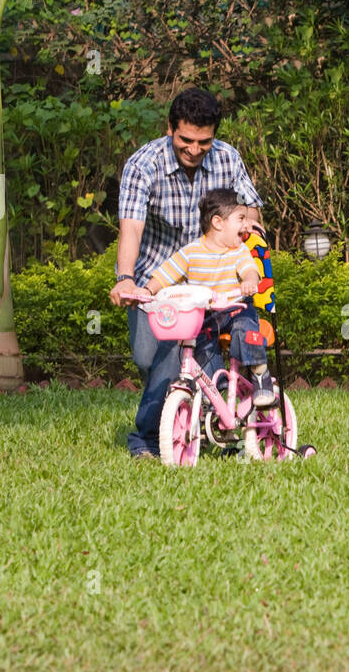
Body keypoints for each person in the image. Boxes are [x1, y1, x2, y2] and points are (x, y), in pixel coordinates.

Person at [109, 89, 262, 458]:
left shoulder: (227, 159)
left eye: (203, 142)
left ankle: (167, 438)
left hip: (210, 287)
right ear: (169, 129)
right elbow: (131, 228)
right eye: (186, 140)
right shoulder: (143, 164)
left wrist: (247, 231)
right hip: (157, 283)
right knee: (151, 360)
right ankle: (172, 423)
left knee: (196, 363)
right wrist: (125, 278)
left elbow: (251, 212)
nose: (194, 150)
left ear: (215, 135)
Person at [140, 188, 276, 408]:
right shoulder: (191, 252)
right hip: (206, 315)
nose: (246, 225)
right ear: (218, 223)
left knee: (247, 332)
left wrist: (249, 281)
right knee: (199, 347)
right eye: (241, 218)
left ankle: (260, 374)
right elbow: (166, 273)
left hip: (237, 309)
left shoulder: (239, 250)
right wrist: (148, 290)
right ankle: (210, 397)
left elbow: (250, 269)